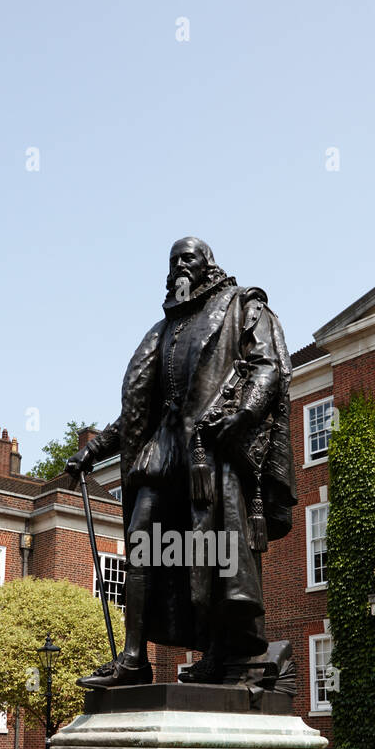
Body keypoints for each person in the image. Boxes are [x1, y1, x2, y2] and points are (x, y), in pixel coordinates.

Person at [66, 237, 296, 688]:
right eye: (172, 262)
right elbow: (138, 412)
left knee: (209, 556)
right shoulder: (163, 330)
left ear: (207, 263)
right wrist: (92, 451)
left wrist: (247, 411)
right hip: (164, 450)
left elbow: (267, 366)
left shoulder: (241, 306)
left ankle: (218, 653)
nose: (178, 268)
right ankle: (133, 659)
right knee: (141, 543)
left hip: (210, 456)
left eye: (186, 258)